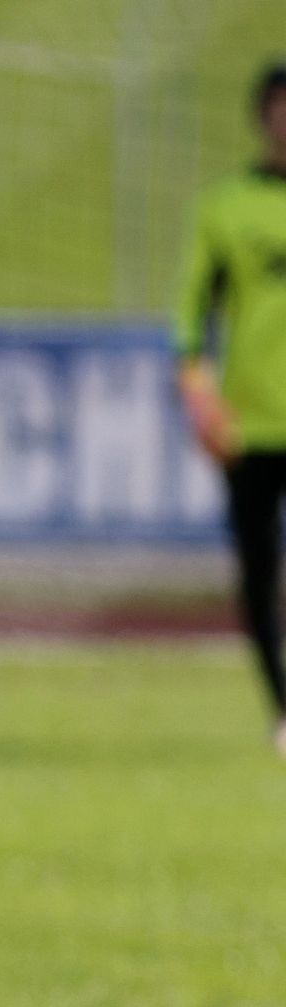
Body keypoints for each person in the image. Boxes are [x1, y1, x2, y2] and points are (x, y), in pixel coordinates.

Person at [176, 59, 286, 753]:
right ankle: (282, 707)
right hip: (251, 424)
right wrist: (199, 397)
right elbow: (189, 320)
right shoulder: (226, 207)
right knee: (257, 571)